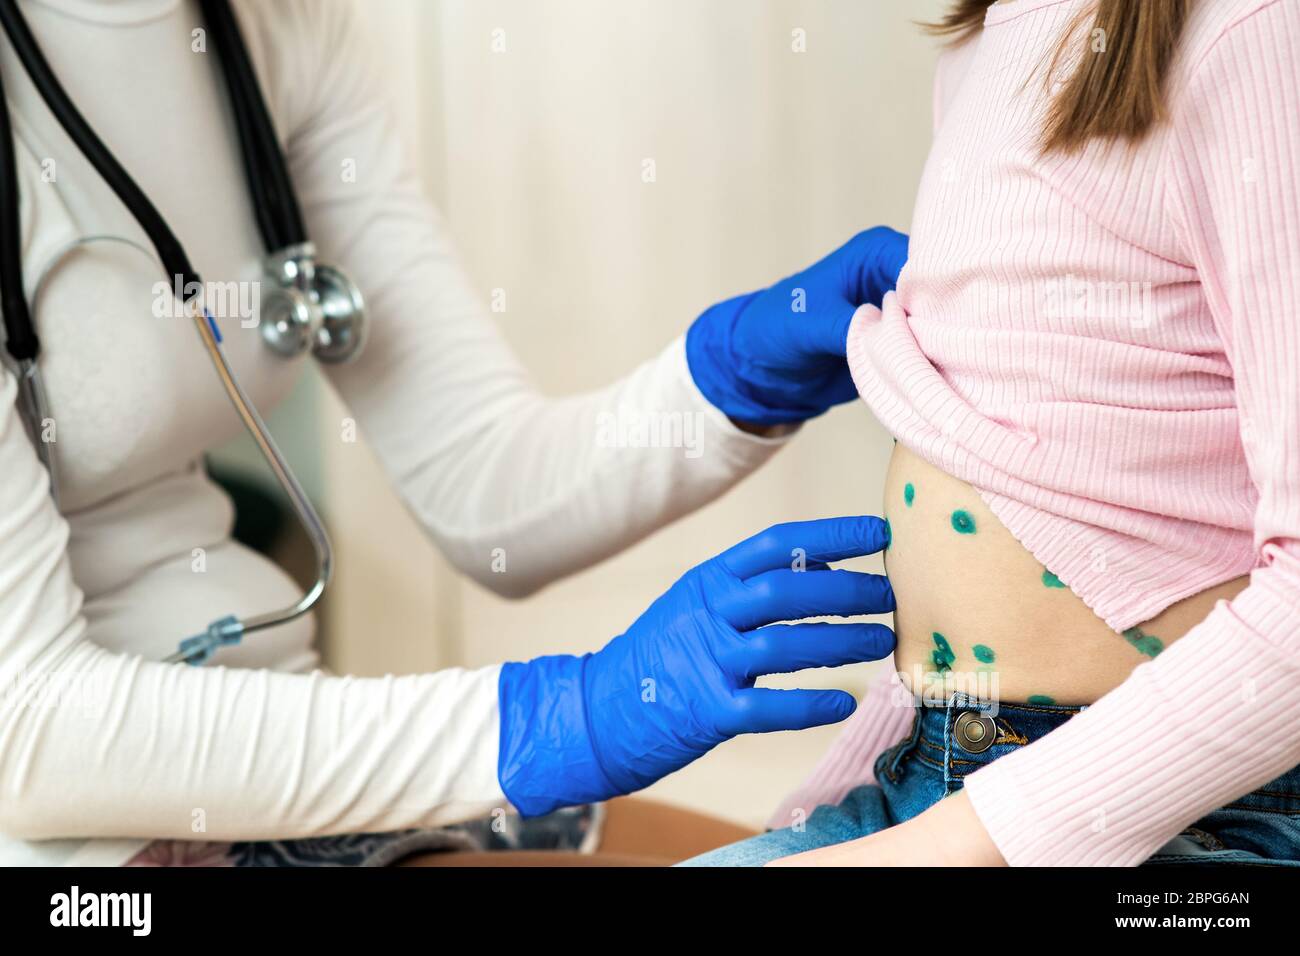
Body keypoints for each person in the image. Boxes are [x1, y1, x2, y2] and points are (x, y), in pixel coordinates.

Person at [0, 0, 906, 866]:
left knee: (847, 856)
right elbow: (26, 730)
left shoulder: (269, 26)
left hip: (277, 742)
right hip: (81, 822)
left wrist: (723, 384)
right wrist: (560, 719)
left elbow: (486, 492)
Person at [687, 0, 1300, 866]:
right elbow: (982, 520)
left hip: (1192, 818)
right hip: (935, 779)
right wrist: (826, 811)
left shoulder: (1255, 32)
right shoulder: (983, 47)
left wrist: (941, 847)